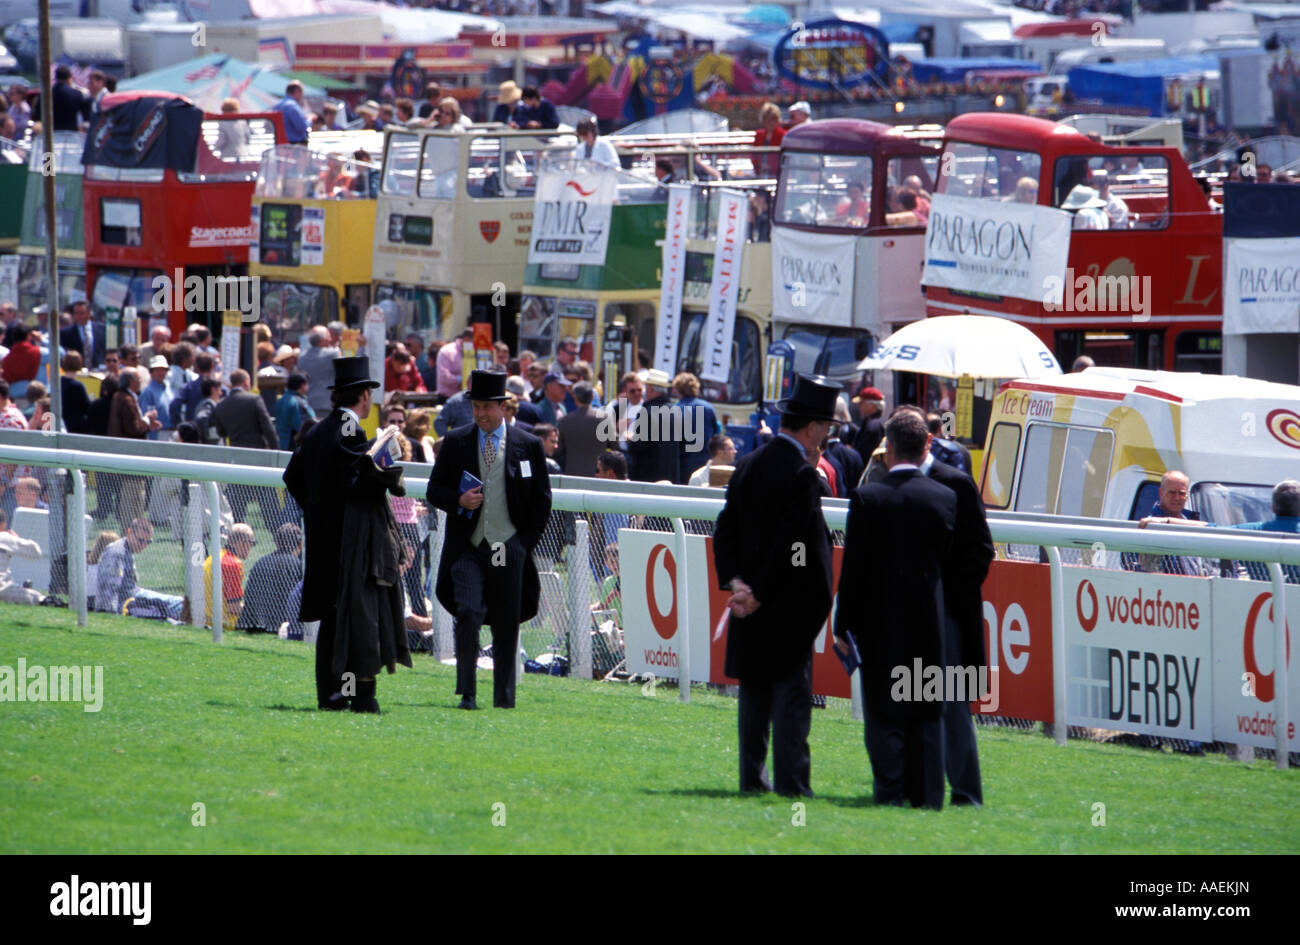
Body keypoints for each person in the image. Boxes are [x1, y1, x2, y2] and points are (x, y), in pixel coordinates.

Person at [712, 374, 837, 797]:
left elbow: (724, 530)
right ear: (813, 427)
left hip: (751, 602)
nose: (827, 437)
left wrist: (738, 585)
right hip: (787, 606)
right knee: (789, 698)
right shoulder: (802, 475)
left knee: (754, 695)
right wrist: (759, 592)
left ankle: (752, 779)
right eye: (827, 428)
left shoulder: (747, 463)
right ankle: (791, 784)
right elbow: (794, 546)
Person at [834, 409, 957, 809]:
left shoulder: (868, 498)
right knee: (925, 714)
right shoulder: (944, 497)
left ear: (886, 451)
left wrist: (843, 625)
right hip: (928, 625)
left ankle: (889, 792)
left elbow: (853, 571)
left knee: (884, 715)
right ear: (926, 445)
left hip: (879, 627)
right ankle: (928, 797)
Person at [284, 356, 411, 713]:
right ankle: (357, 694)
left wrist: (317, 510)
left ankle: (332, 694)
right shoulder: (351, 432)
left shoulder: (318, 430)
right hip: (352, 543)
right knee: (355, 617)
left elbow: (292, 476)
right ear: (364, 397)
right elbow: (358, 485)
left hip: (322, 539)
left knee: (332, 617)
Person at [427, 370, 552, 710]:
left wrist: (522, 544)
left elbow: (542, 500)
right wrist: (458, 500)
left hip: (506, 547)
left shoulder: (528, 445)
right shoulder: (455, 442)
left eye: (487, 407)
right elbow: (433, 490)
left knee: (506, 622)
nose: (480, 413)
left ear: (502, 406)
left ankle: (504, 698)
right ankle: (467, 692)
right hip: (468, 546)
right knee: (468, 611)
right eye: (476, 407)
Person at [213, 369, 281, 527]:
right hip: (259, 457)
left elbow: (220, 432)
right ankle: (278, 533)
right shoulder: (254, 399)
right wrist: (275, 449)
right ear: (245, 382)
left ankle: (238, 533)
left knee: (238, 503)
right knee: (269, 503)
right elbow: (268, 428)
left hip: (237, 458)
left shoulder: (222, 405)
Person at [95, 519, 185, 619]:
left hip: (133, 596)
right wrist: (110, 614)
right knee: (179, 605)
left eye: (148, 542)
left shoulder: (126, 549)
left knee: (178, 604)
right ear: (129, 532)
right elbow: (109, 588)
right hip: (127, 603)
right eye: (141, 540)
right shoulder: (117, 552)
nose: (144, 545)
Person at [1136, 470, 1211, 575]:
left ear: (1187, 495)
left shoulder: (1190, 522)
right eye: (1172, 492)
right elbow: (1149, 575)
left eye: (1181, 493)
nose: (1177, 498)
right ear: (1161, 493)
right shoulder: (1151, 527)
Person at [238, 522, 304, 634]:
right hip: (283, 625)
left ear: (276, 543)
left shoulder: (260, 562)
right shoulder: (298, 566)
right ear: (300, 544)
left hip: (254, 624)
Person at [625, 369, 680, 483]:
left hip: (648, 477)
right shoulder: (675, 411)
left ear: (650, 389)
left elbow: (638, 446)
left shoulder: (647, 412)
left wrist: (630, 439)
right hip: (670, 476)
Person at [204, 523, 255, 631]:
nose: (251, 548)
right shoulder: (233, 564)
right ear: (244, 544)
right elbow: (233, 607)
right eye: (252, 543)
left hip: (205, 617)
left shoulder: (213, 557)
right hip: (225, 621)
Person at [673, 371, 719, 483]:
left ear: (678, 390)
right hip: (705, 460)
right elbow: (716, 432)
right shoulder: (708, 408)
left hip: (684, 462)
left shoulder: (675, 409)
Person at [555, 381, 603, 476]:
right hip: (599, 474)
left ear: (575, 398)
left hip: (572, 474)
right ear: (592, 397)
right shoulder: (604, 419)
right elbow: (615, 446)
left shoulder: (564, 421)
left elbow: (558, 449)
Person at [0, 507, 46, 605]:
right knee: (38, 597)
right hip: (4, 591)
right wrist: (16, 538)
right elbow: (36, 551)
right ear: (3, 524)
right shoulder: (3, 537)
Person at [60, 300, 106, 371]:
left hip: (98, 372)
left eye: (82, 313)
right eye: (76, 313)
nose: (79, 316)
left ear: (89, 313)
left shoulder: (102, 329)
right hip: (76, 372)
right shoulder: (65, 333)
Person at [275, 373, 315, 451]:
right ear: (303, 385)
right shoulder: (299, 402)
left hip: (281, 444)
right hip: (294, 446)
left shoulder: (280, 400)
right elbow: (304, 425)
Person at [59, 352, 91, 434]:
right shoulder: (78, 386)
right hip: (76, 426)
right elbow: (87, 407)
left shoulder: (58, 382)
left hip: (61, 422)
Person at [435, 328, 472, 398]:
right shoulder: (447, 351)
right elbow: (444, 377)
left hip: (468, 398)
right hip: (447, 397)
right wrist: (463, 379)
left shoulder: (473, 352)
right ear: (466, 339)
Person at [52, 65, 90, 133]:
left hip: (50, 134)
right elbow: (85, 117)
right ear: (70, 78)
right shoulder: (77, 94)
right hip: (71, 133)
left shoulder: (46, 95)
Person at [753, 102, 785, 178]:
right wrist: (758, 168)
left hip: (777, 174)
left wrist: (771, 167)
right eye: (768, 119)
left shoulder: (783, 135)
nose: (771, 123)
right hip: (760, 173)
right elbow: (754, 155)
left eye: (774, 119)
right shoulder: (759, 134)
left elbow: (784, 158)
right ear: (764, 120)